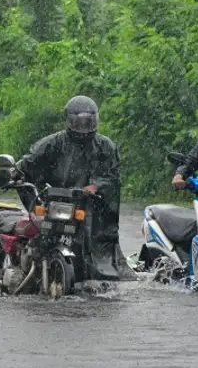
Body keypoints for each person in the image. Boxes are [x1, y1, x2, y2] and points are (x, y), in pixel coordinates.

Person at [12, 95, 134, 282]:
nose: (83, 127)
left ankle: (93, 271)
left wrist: (95, 187)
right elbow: (28, 163)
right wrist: (14, 173)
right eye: (78, 122)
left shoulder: (106, 146)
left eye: (88, 122)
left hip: (90, 206)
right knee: (39, 232)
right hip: (53, 201)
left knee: (105, 251)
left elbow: (113, 176)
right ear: (68, 120)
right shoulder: (52, 143)